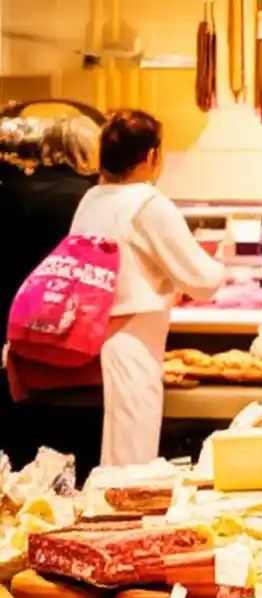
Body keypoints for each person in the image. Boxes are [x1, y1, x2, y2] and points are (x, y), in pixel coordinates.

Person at [66, 110, 225, 467]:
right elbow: (203, 281)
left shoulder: (92, 199)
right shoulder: (148, 203)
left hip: (87, 343)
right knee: (131, 462)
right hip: (132, 342)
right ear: (152, 155)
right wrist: (220, 261)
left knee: (103, 460)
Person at [0, 116, 102, 476]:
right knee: (79, 448)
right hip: (71, 341)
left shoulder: (12, 192)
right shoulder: (89, 198)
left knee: (21, 447)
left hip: (15, 331)